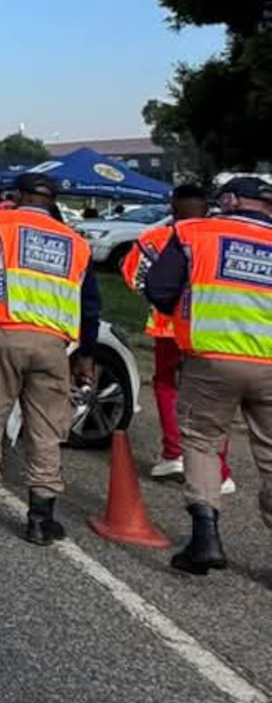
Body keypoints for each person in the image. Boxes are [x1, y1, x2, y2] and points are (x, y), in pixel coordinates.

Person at [0, 172, 99, 544]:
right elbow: (91, 305)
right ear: (52, 201)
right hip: (53, 346)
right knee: (46, 431)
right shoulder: (76, 243)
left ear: (19, 195)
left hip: (2, 335)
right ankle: (41, 520)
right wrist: (86, 355)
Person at [143, 176, 272, 575]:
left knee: (201, 441)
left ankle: (205, 537)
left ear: (231, 200)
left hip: (212, 358)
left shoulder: (194, 232)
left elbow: (159, 289)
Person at [121, 184, 234, 492]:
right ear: (207, 208)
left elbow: (132, 275)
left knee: (167, 385)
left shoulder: (155, 238)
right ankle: (220, 470)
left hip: (168, 327)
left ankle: (174, 453)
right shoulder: (222, 237)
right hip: (214, 329)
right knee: (214, 398)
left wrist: (161, 299)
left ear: (172, 207)